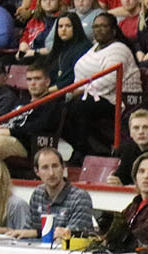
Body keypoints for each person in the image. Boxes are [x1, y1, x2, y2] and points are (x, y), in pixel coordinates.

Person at [61, 12, 143, 159]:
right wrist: (76, 89)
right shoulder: (94, 48)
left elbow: (109, 80)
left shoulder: (119, 49)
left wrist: (79, 91)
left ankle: (82, 152)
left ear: (113, 30)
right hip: (93, 95)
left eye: (104, 26)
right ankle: (91, 149)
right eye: (96, 26)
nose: (99, 29)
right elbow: (80, 71)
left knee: (79, 106)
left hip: (118, 99)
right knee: (58, 109)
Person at [8, 146, 94, 239]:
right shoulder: (37, 194)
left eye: (55, 166)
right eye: (45, 168)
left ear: (63, 167)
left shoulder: (80, 197)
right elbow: (27, 231)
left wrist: (36, 233)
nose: (51, 173)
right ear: (37, 171)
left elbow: (72, 235)